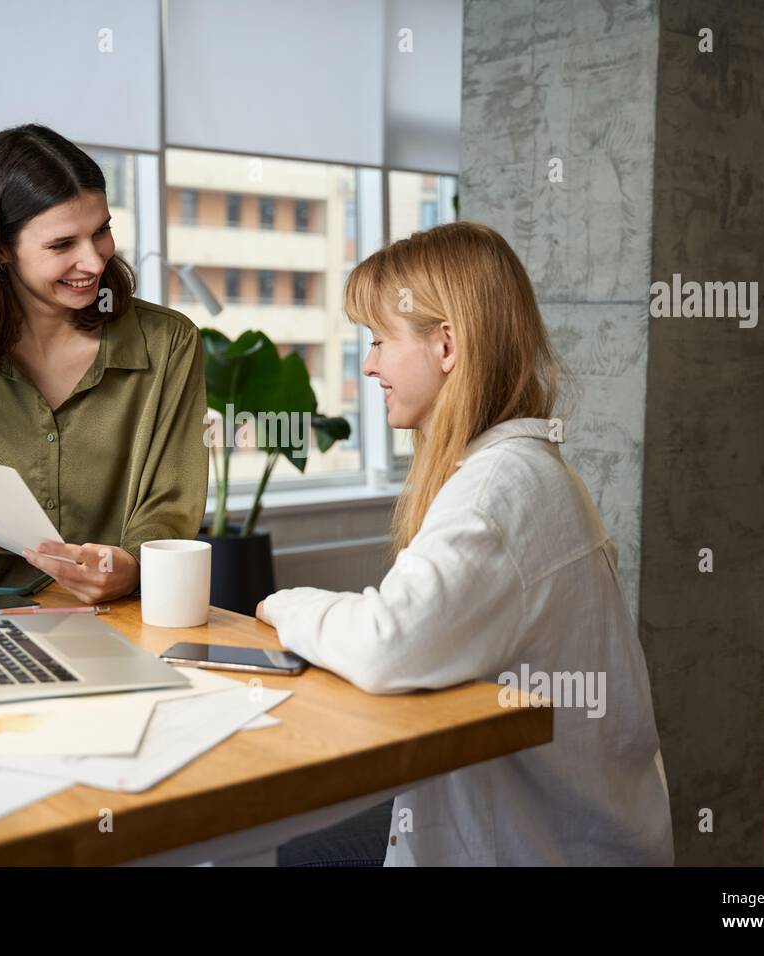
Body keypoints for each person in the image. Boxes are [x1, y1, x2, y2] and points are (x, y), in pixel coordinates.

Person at [259, 221, 674, 866]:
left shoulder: (500, 490)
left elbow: (385, 643)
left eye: (379, 340)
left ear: (445, 345)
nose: (369, 365)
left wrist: (282, 604)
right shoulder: (520, 473)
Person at [0, 125, 207, 603]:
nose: (93, 261)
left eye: (101, 231)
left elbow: (170, 505)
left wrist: (129, 567)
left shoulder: (169, 342)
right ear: (0, 248)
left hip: (123, 620)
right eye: (62, 244)